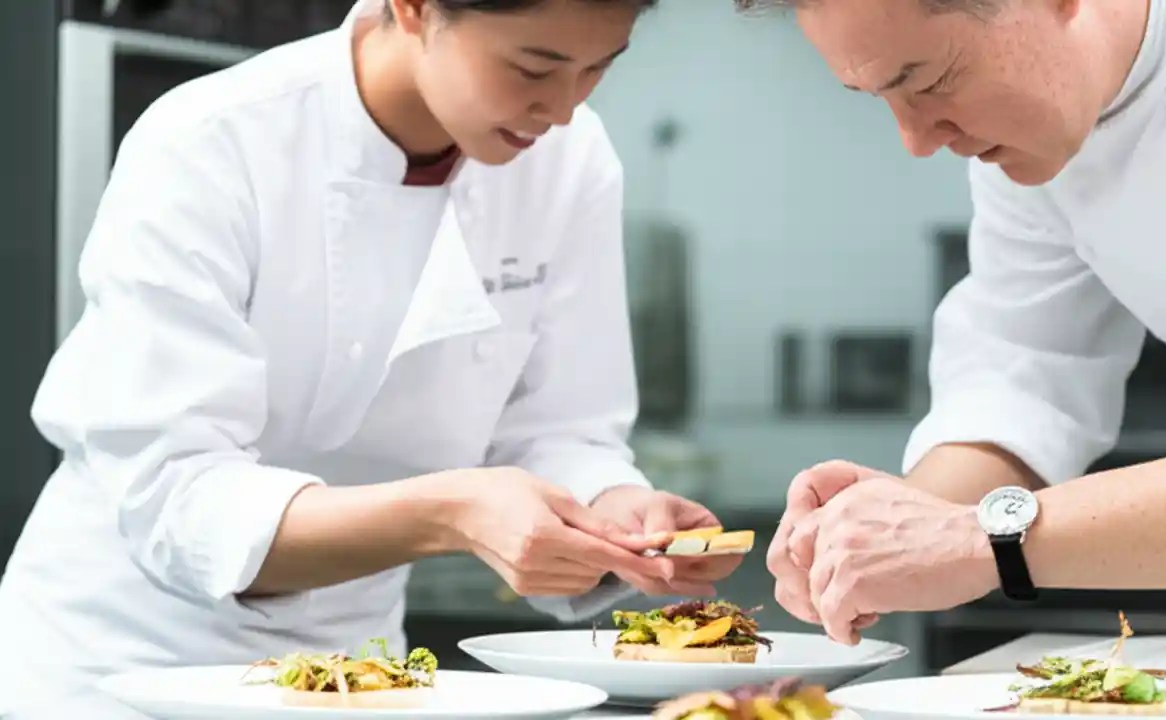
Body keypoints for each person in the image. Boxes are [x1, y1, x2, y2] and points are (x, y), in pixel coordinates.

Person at [0, 0, 742, 715]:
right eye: (533, 68)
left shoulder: (569, 161)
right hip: (126, 664)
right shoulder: (211, 140)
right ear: (415, 7)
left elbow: (559, 431)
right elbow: (179, 503)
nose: (563, 109)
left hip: (361, 673)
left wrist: (613, 508)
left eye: (597, 68)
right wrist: (450, 513)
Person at [741, 0, 1166, 644]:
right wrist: (893, 520)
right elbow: (1025, 372)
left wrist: (984, 538)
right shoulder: (1031, 152)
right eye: (882, 97)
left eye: (931, 81)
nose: (917, 142)